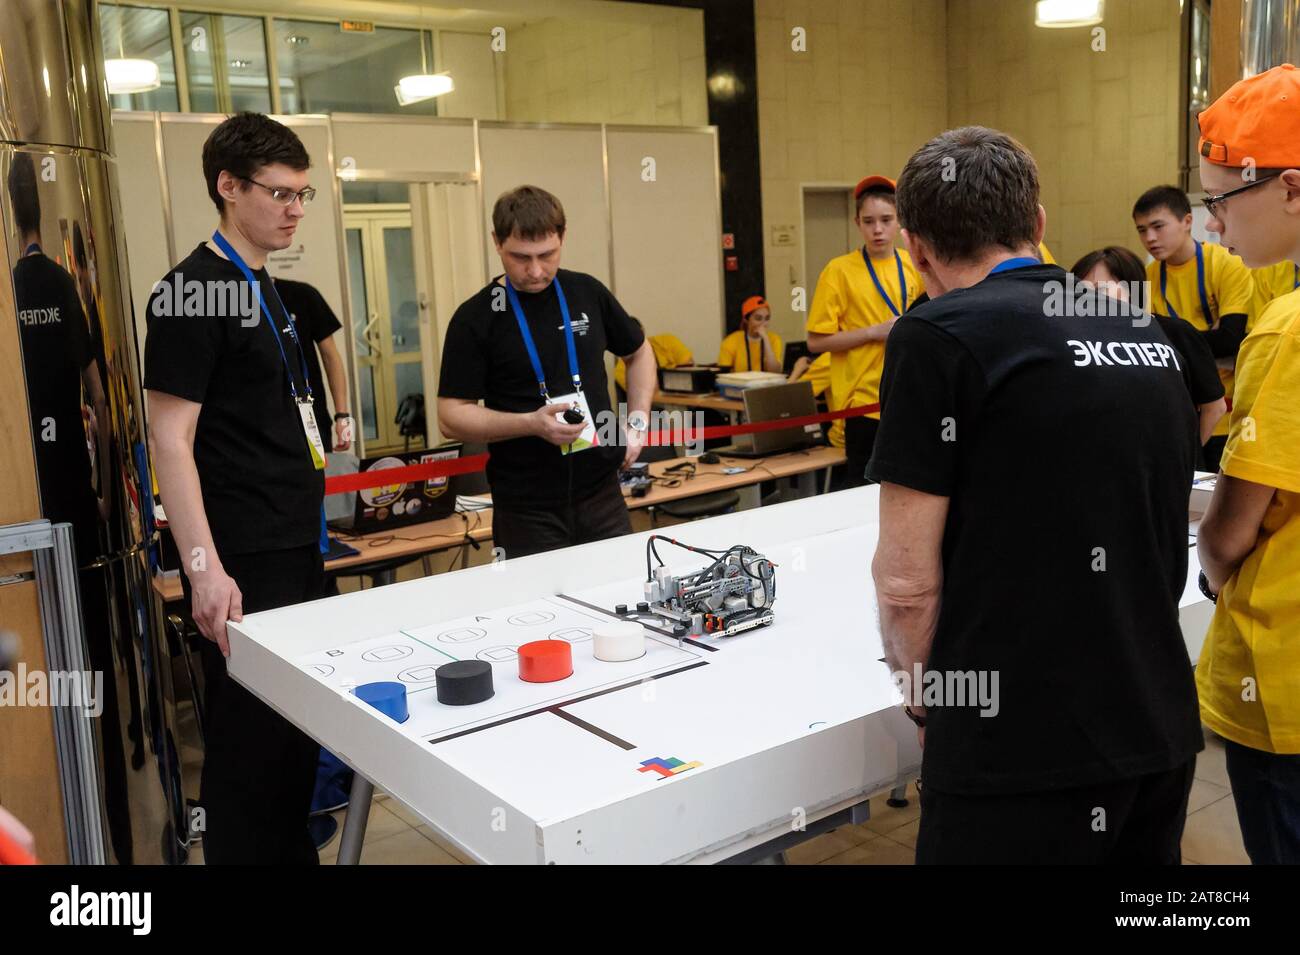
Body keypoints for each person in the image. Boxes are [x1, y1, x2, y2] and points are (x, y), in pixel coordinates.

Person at [870, 126, 1202, 864]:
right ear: (1040, 225)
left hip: (1020, 746)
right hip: (1157, 721)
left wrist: (933, 700)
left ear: (917, 247)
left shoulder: (937, 334)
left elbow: (904, 583)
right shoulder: (1149, 328)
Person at [144, 112, 325, 864]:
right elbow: (169, 440)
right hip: (242, 561)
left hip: (294, 549)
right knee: (250, 758)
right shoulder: (192, 291)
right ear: (228, 186)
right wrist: (202, 566)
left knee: (294, 751)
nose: (294, 208)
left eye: (303, 194)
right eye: (280, 193)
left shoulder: (265, 286)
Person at [1192, 63, 1300, 865]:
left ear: (1290, 188)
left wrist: (1210, 566)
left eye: (1221, 200)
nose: (1214, 224)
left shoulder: (1285, 330)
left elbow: (1232, 532)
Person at [437, 185, 656, 559]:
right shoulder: (476, 317)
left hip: (602, 493)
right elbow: (450, 416)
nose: (536, 271)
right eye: (520, 257)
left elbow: (639, 352)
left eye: (547, 255)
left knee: (621, 602)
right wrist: (532, 423)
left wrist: (636, 424)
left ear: (563, 237)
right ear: (496, 242)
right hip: (527, 506)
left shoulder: (586, 292)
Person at [806, 175, 924, 488]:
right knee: (861, 489)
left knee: (907, 485)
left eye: (886, 220)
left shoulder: (915, 263)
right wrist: (874, 332)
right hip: (863, 402)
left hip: (907, 394)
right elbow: (816, 341)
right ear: (856, 222)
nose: (878, 230)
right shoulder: (839, 270)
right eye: (869, 221)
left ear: (899, 220)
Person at [1133, 184, 1255, 470]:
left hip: (1228, 413)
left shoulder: (1227, 264)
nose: (1149, 238)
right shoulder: (1145, 278)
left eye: (1157, 226)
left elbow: (1230, 340)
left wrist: (1177, 339)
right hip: (1179, 412)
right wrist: (1204, 338)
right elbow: (1145, 348)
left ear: (1187, 221)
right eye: (1141, 230)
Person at [1071, 245, 1226, 445]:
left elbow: (1214, 407)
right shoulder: (1078, 339)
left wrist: (1188, 457)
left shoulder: (1177, 333)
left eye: (1101, 290)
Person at [273, 278, 352, 451]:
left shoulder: (302, 294)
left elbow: (330, 356)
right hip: (264, 425)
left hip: (310, 418)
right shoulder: (237, 300)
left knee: (319, 476)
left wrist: (343, 416)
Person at [614, 316, 691, 394]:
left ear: (642, 330)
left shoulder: (668, 341)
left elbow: (689, 373)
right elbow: (641, 393)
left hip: (683, 400)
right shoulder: (621, 369)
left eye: (633, 333)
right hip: (643, 404)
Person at [718, 295, 782, 372]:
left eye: (767, 318)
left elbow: (774, 371)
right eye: (758, 318)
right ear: (746, 319)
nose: (763, 323)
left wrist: (766, 340)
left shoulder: (774, 339)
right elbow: (723, 373)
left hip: (768, 383)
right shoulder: (731, 341)